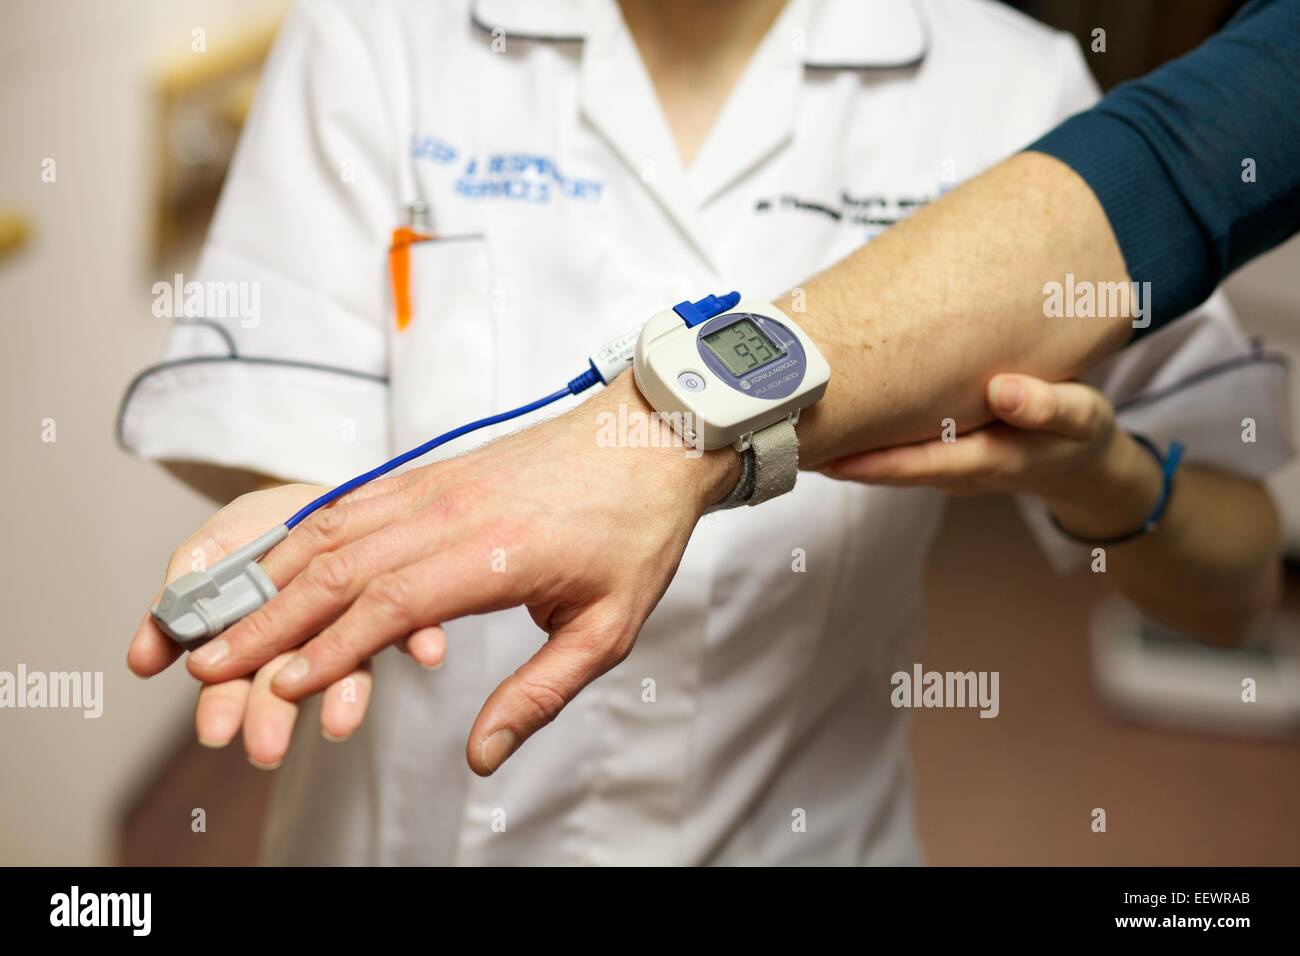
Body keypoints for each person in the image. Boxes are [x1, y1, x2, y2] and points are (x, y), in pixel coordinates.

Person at [121, 0, 1290, 864]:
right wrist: (309, 518)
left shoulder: (1006, 87)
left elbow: (1232, 579)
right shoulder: (382, 34)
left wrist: (1104, 475)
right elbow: (300, 460)